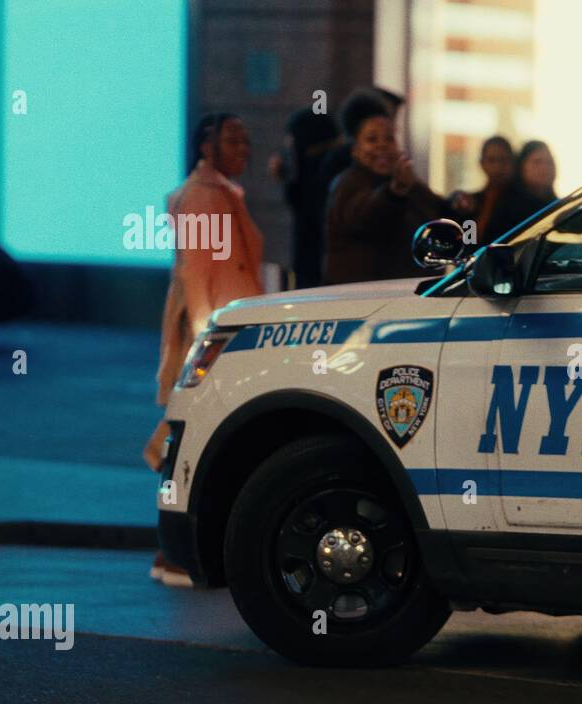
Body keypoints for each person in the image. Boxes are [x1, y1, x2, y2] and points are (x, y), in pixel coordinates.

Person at [144, 112, 264, 587]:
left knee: (191, 438)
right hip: (214, 336)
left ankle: (183, 550)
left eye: (246, 138)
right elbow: (195, 272)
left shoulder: (224, 194)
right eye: (233, 138)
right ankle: (174, 552)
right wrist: (204, 336)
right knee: (184, 439)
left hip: (226, 332)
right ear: (206, 145)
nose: (244, 147)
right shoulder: (201, 196)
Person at [323, 101, 447, 283]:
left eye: (389, 139)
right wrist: (394, 192)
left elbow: (438, 210)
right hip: (363, 299)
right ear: (356, 150)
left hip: (407, 296)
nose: (382, 145)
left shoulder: (405, 181)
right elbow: (366, 215)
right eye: (372, 139)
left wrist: (461, 203)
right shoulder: (348, 183)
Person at [268, 108, 339, 289]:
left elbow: (307, 208)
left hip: (319, 272)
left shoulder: (319, 171)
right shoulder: (324, 166)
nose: (288, 143)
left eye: (291, 136)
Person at [486, 140, 558, 241]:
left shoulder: (559, 208)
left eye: (549, 162)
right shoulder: (504, 206)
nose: (545, 167)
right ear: (522, 166)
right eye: (538, 161)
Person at [448, 135, 514, 245]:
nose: (498, 167)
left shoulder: (524, 201)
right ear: (482, 163)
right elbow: (470, 241)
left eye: (503, 160)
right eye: (492, 160)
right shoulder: (471, 203)